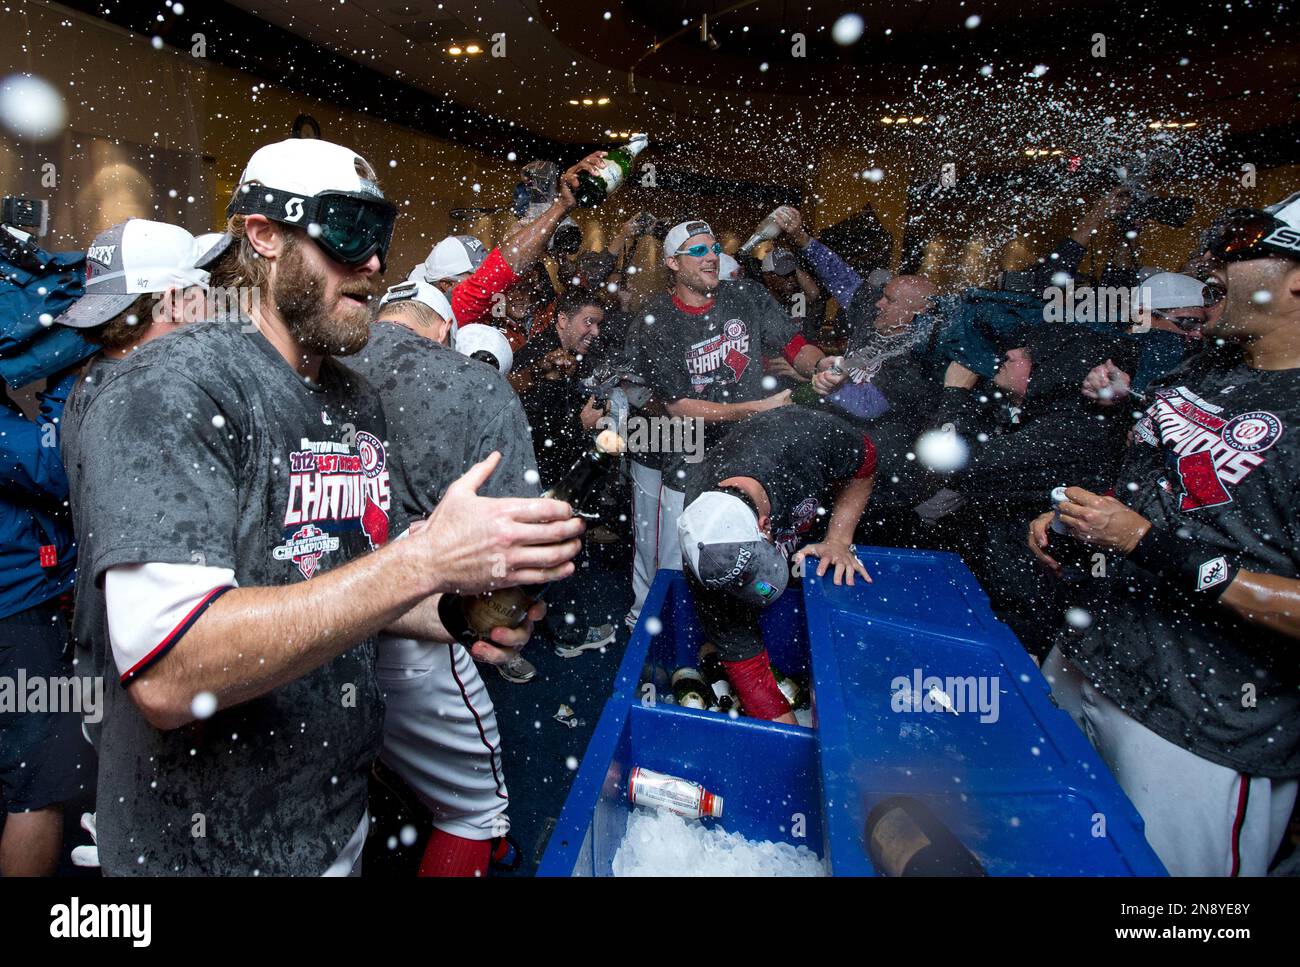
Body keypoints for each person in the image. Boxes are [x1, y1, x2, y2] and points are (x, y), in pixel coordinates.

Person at [67, 137, 583, 876]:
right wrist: (423, 558)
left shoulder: (354, 397)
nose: (373, 262)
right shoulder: (172, 387)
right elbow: (169, 670)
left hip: (331, 822)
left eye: (381, 234)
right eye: (345, 230)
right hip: (203, 851)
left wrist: (451, 602)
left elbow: (350, 579)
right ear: (263, 234)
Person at [1027, 191, 1300, 876]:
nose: (1216, 262)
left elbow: (1160, 536)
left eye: (1245, 245)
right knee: (1042, 852)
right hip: (1092, 658)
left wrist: (1145, 543)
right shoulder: (1210, 364)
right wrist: (1082, 524)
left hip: (1201, 728)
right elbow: (1166, 484)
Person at [349, 266, 541, 872]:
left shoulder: (312, 363)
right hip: (417, 614)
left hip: (307, 608)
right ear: (446, 330)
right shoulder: (471, 383)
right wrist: (501, 621)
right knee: (474, 808)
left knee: (338, 769)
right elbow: (520, 529)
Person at [625, 218, 833, 628]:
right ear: (672, 262)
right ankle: (646, 625)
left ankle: (703, 625)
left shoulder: (746, 296)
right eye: (698, 250)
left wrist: (820, 364)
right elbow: (677, 407)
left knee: (723, 536)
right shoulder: (656, 319)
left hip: (734, 441)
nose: (711, 256)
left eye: (715, 247)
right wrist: (757, 409)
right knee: (664, 546)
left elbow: (795, 348)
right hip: (667, 440)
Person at [677, 407, 876, 723]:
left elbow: (866, 460)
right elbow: (748, 669)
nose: (755, 588)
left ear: (766, 525)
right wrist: (791, 744)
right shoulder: (705, 556)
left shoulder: (805, 439)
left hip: (824, 503)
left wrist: (838, 538)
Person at [508, 286, 616, 657]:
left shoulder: (570, 354)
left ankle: (544, 630)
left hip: (556, 472)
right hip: (539, 476)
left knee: (556, 555)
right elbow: (531, 428)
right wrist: (580, 422)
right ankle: (564, 635)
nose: (595, 331)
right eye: (588, 322)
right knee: (555, 555)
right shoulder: (541, 358)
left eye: (599, 324)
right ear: (562, 321)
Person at [412, 152, 608, 328]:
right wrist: (561, 206)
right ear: (446, 285)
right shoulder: (443, 318)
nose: (487, 282)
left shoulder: (475, 316)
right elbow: (501, 270)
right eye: (475, 277)